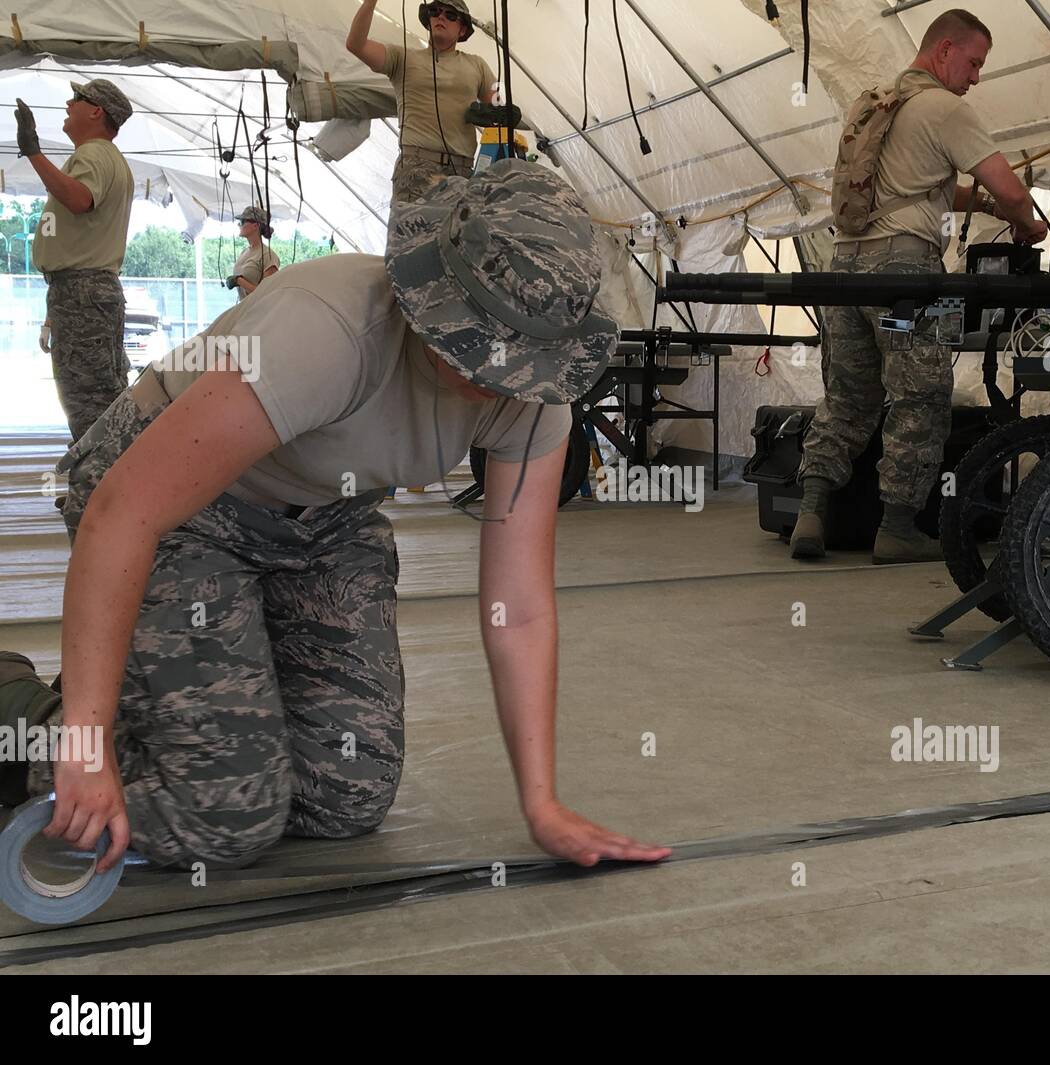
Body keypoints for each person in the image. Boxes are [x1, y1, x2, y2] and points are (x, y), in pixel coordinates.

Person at [0, 161, 670, 873]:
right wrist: (85, 741)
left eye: (522, 357)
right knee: (225, 816)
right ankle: (24, 714)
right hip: (177, 512)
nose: (496, 378)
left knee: (343, 793)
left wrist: (541, 803)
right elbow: (121, 514)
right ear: (435, 295)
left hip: (325, 518)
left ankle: (148, 702)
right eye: (479, 344)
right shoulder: (325, 334)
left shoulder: (536, 390)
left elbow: (522, 607)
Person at [791, 9, 1047, 564]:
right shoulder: (945, 108)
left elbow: (901, 187)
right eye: (974, 63)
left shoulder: (875, 102)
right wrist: (1028, 226)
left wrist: (970, 202)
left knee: (848, 396)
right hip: (902, 278)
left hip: (846, 270)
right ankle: (898, 528)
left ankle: (809, 513)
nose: (976, 77)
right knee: (920, 398)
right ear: (945, 51)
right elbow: (1007, 185)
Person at [15, 79, 135, 442]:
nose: (69, 104)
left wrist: (33, 151)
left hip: (83, 292)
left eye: (77, 99)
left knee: (86, 398)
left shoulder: (93, 153)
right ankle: (103, 482)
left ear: (97, 111)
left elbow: (80, 199)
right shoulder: (103, 156)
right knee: (101, 393)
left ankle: (99, 489)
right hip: (86, 291)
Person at [347, 0, 496, 200]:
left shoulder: (477, 65)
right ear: (428, 21)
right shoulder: (402, 57)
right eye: (435, 11)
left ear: (462, 30)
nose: (441, 16)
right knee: (411, 231)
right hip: (416, 168)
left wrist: (498, 112)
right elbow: (356, 44)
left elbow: (499, 106)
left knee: (456, 232)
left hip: (461, 172)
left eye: (451, 14)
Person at [226, 205, 281, 300]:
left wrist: (239, 281)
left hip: (260, 313)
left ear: (256, 225)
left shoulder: (268, 255)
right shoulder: (244, 252)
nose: (239, 225)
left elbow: (267, 294)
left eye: (242, 222)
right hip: (245, 310)